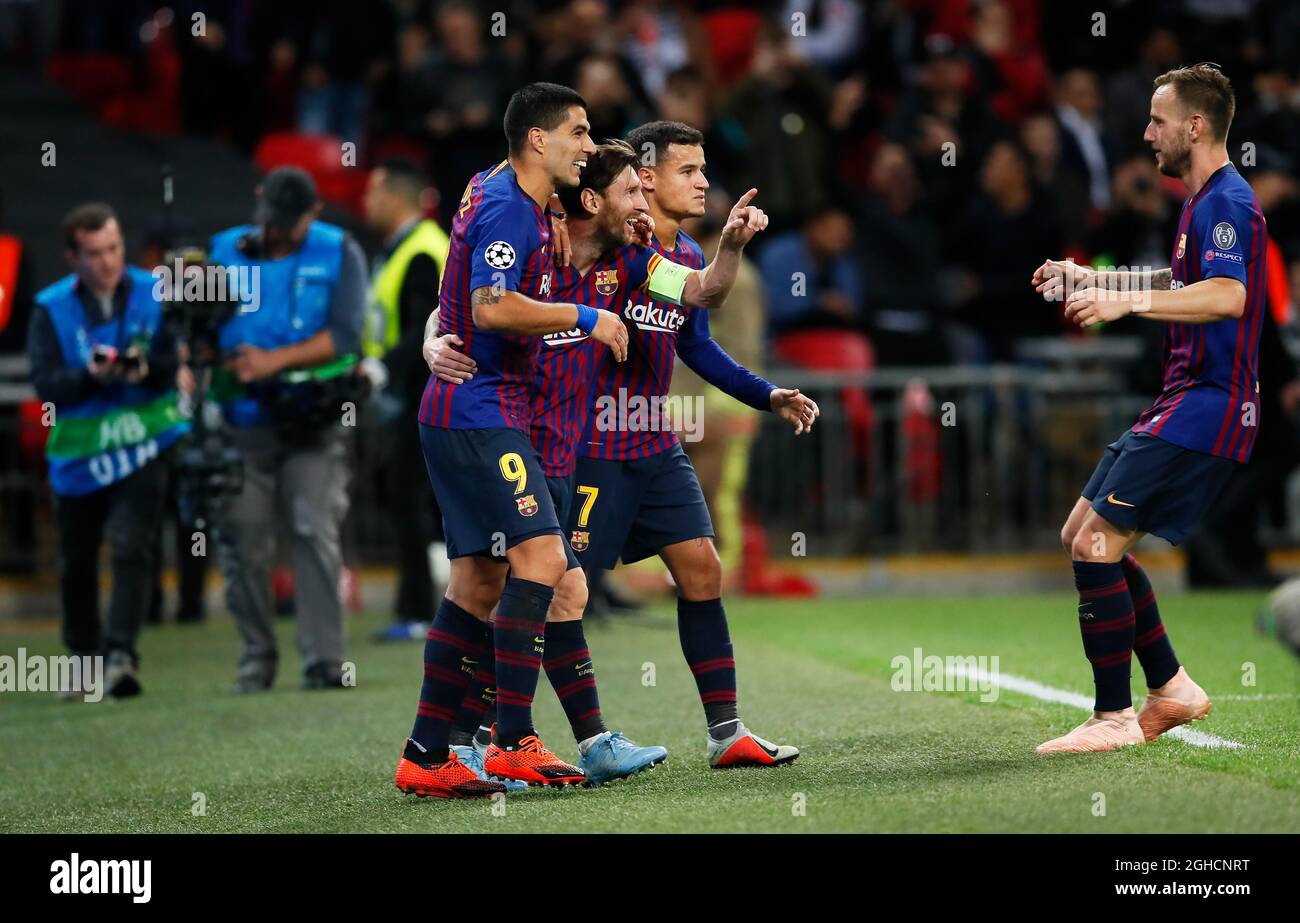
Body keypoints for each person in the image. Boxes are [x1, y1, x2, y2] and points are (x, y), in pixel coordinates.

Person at [426, 138, 795, 784]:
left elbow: (703, 297)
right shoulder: (544, 237)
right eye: (682, 171)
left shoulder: (637, 260)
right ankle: (484, 738)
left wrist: (731, 247)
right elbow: (472, 294)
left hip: (613, 445)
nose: (693, 184)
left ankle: (506, 742)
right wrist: (435, 337)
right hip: (551, 442)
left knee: (566, 583)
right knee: (535, 587)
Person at [393, 83, 627, 799]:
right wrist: (587, 316)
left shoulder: (498, 190)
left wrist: (440, 327)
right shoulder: (506, 207)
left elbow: (465, 285)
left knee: (478, 581)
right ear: (538, 140)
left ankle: (428, 752)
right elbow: (491, 307)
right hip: (479, 411)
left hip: (462, 408)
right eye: (580, 132)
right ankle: (512, 738)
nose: (589, 145)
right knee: (546, 557)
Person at [1032, 64, 1266, 754]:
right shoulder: (1201, 202)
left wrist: (1125, 301)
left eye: (1157, 121)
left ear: (1194, 126)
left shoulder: (1226, 201)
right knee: (1082, 533)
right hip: (1183, 397)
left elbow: (1227, 295)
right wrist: (1094, 277)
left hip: (1210, 405)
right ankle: (1170, 687)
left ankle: (1112, 716)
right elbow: (1183, 280)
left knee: (1096, 544)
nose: (1146, 133)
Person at [571, 120, 817, 767]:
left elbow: (697, 343)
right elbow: (705, 289)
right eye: (689, 170)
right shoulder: (617, 247)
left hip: (652, 442)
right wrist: (730, 247)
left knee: (703, 567)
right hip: (591, 443)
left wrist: (770, 395)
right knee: (551, 588)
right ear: (645, 178)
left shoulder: (675, 258)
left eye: (705, 169)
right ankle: (507, 731)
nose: (704, 181)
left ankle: (725, 732)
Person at [189, 166, 367, 692]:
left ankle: (324, 662)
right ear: (258, 200)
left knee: (314, 531)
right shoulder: (220, 250)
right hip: (242, 419)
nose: (276, 232)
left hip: (313, 418)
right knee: (243, 541)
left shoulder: (339, 250)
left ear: (312, 213)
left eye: (289, 224)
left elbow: (346, 334)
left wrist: (273, 361)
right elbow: (195, 329)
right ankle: (256, 660)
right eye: (271, 219)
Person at [28, 203, 186, 698]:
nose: (107, 261)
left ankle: (120, 655)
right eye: (94, 253)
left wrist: (145, 369)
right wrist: (90, 376)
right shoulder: (50, 307)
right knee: (76, 558)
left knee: (132, 545)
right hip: (78, 452)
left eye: (114, 249)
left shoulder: (153, 290)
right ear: (72, 256)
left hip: (142, 441)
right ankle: (84, 658)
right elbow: (47, 384)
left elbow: (171, 359)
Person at [359, 158, 451, 640]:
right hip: (411, 392)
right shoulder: (403, 249)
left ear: (396, 198)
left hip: (423, 392)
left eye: (373, 192)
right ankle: (428, 599)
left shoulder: (421, 251)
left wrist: (383, 370)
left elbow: (421, 328)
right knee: (411, 497)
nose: (365, 202)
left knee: (411, 496)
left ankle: (418, 610)